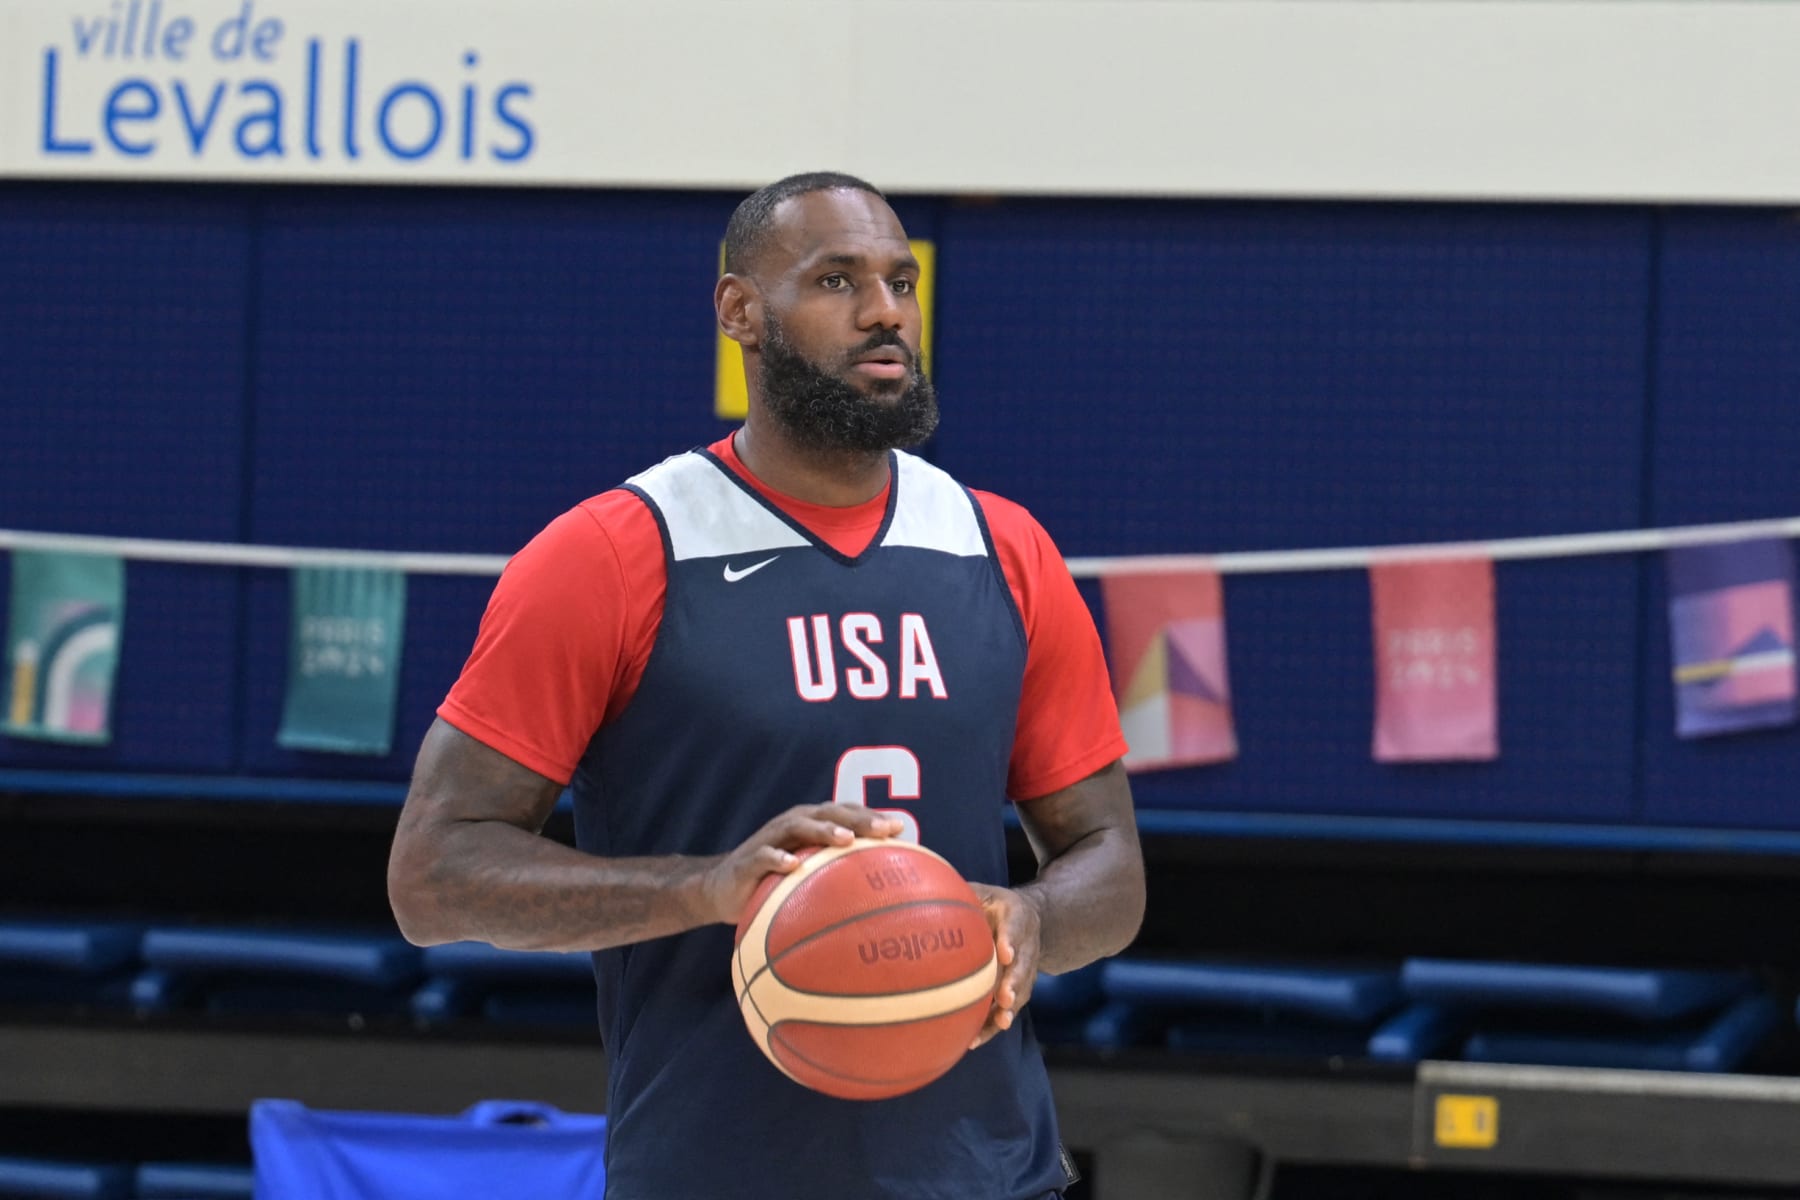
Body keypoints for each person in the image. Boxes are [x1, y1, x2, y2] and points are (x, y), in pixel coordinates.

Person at [387, 171, 1146, 1200]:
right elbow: (432, 878)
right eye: (837, 280)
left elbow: (1109, 863)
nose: (884, 312)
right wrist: (702, 888)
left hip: (990, 1171)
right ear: (740, 311)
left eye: (899, 281)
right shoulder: (614, 554)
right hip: (715, 1169)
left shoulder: (1002, 549)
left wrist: (1035, 920)